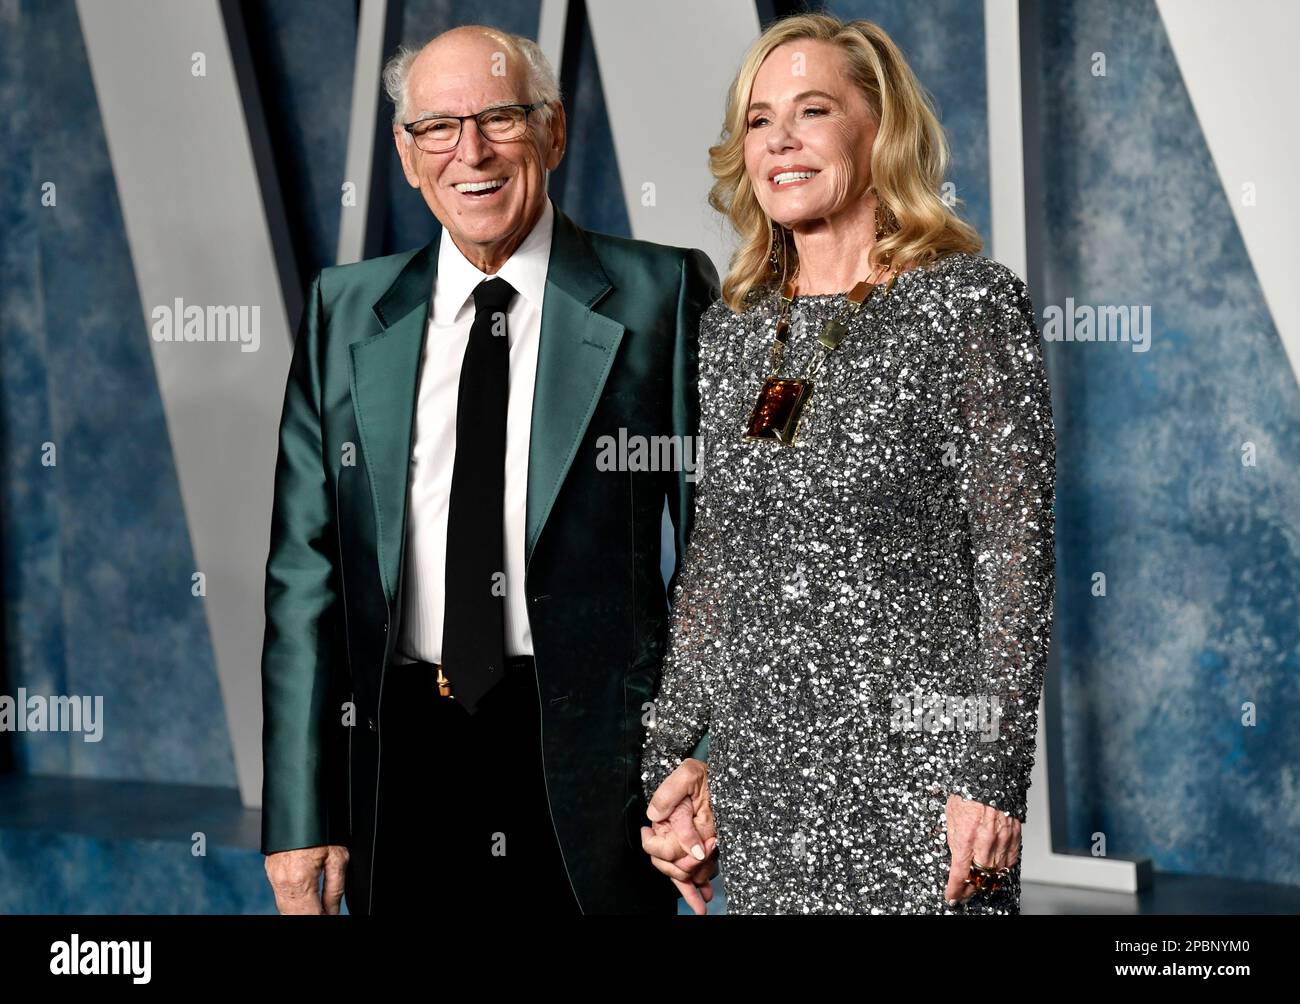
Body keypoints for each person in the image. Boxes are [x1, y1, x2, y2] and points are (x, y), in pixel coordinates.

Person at [260, 23, 719, 915]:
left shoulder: (661, 295)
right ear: (405, 152)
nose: (469, 152)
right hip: (399, 761)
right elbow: (303, 579)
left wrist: (699, 761)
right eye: (438, 127)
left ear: (551, 131)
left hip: (596, 766)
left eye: (499, 118)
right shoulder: (343, 313)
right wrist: (298, 810)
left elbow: (721, 554)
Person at [640, 13, 1055, 914]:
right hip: (759, 786)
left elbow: (1016, 562)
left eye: (813, 110)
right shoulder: (737, 329)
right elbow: (718, 561)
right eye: (759, 119)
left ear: (881, 130)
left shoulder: (967, 305)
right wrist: (669, 760)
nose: (780, 141)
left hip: (927, 789)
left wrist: (994, 777)